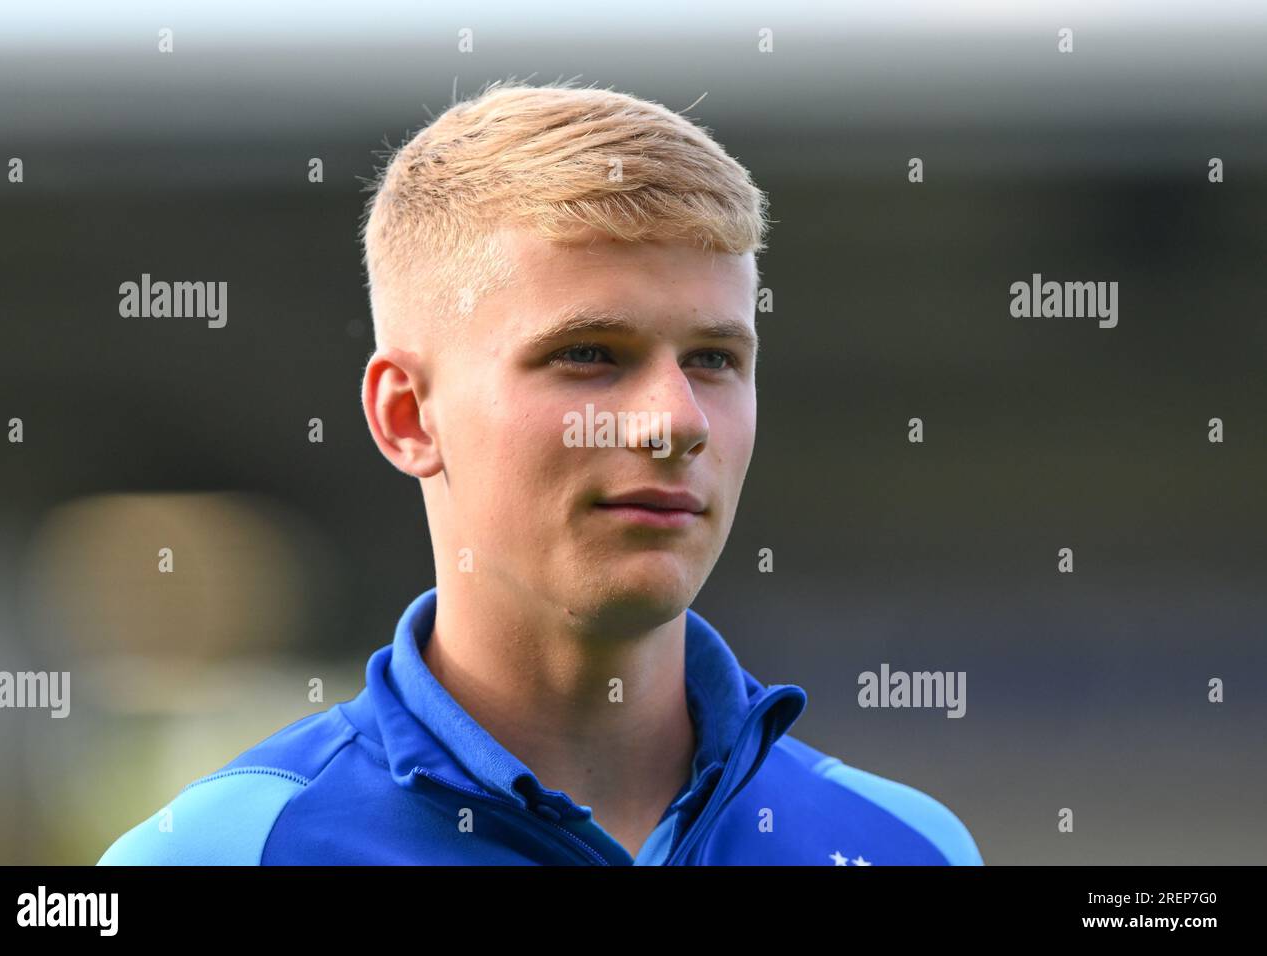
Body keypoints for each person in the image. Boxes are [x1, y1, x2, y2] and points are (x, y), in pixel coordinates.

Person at [98, 79, 983, 865]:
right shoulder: (228, 853)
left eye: (714, 359)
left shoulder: (906, 846)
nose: (674, 422)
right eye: (590, 353)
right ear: (407, 416)